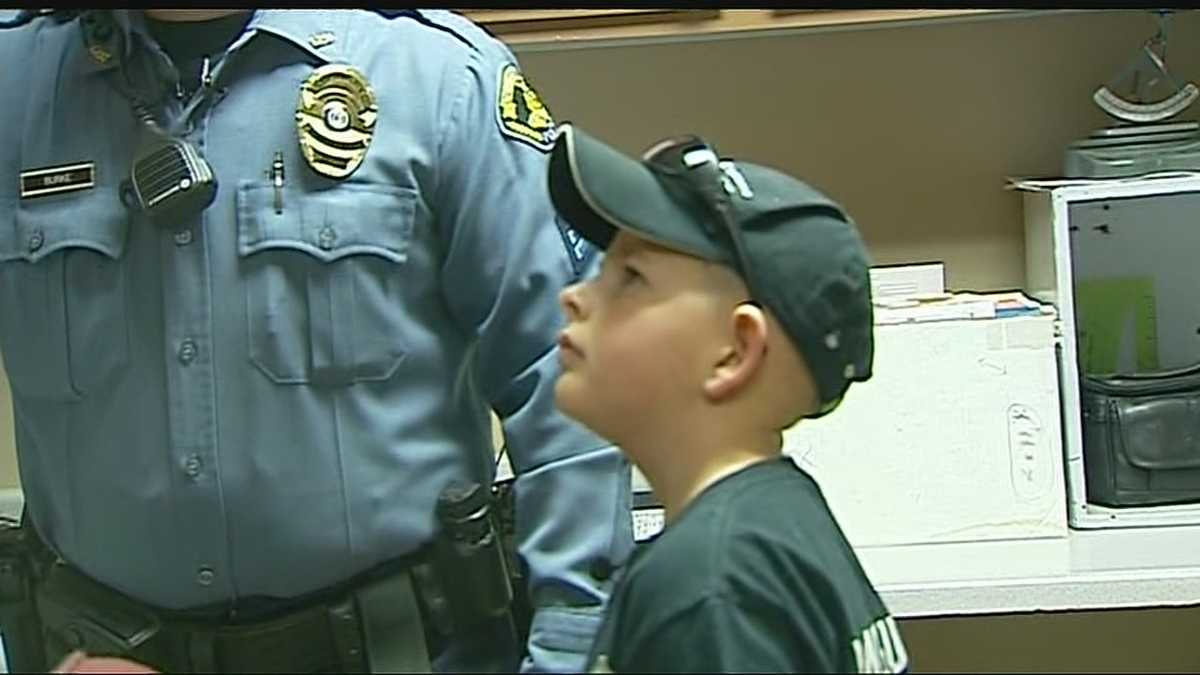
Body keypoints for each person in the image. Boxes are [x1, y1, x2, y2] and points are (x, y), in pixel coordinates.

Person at [0, 9, 632, 673]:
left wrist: (569, 654)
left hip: (405, 653)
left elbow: (566, 384)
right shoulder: (17, 84)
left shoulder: (433, 76)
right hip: (102, 650)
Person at [547, 123, 911, 673]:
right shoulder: (771, 526)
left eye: (630, 276)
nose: (575, 297)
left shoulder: (711, 585)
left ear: (734, 352)